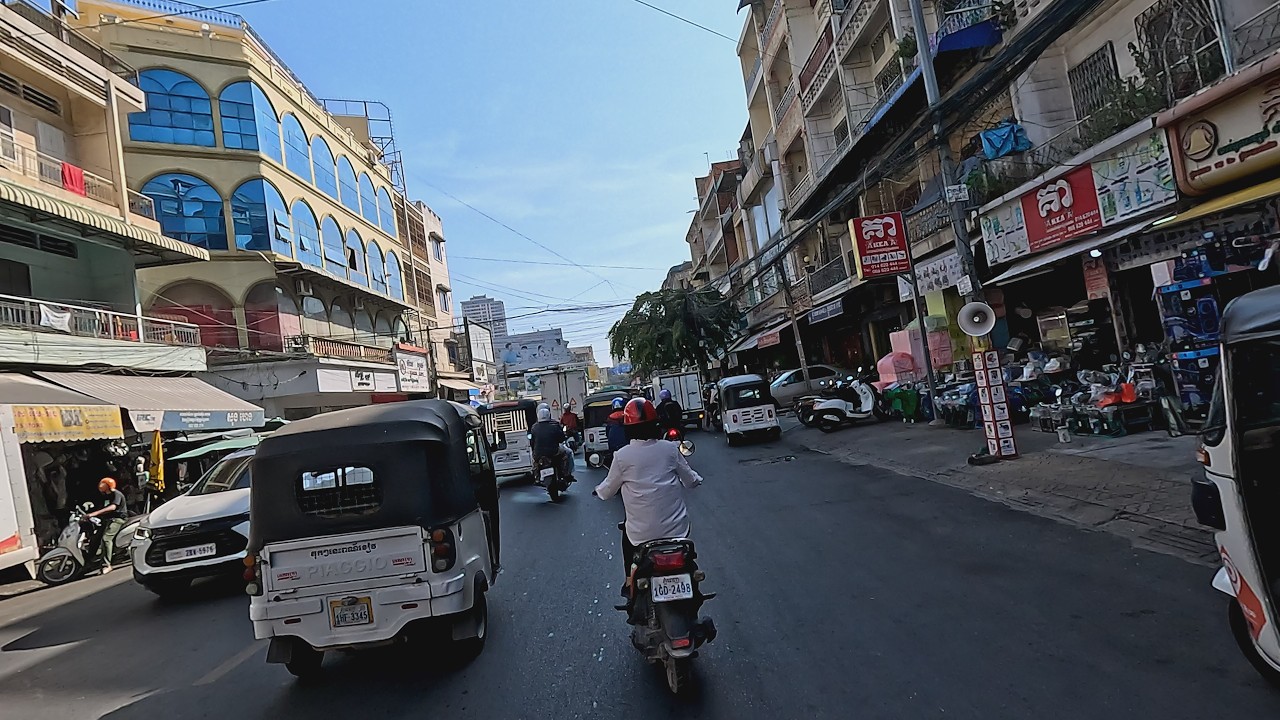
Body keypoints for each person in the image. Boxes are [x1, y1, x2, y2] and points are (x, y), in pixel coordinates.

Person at [593, 397, 702, 595]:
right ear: (655, 424)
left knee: (626, 535)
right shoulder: (669, 449)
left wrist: (598, 491)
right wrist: (697, 479)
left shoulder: (622, 456)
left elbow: (607, 490)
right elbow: (691, 480)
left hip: (640, 535)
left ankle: (629, 580)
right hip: (677, 530)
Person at [85, 477, 128, 573]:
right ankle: (89, 562)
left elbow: (112, 507)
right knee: (95, 539)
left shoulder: (116, 494)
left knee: (106, 539)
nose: (101, 486)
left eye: (103, 484)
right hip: (107, 520)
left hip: (117, 519)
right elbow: (101, 507)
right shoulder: (105, 496)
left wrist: (94, 514)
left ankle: (107, 564)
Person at [529, 402, 575, 483]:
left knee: (534, 461)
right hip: (554, 451)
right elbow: (561, 438)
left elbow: (532, 442)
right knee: (568, 453)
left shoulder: (534, 427)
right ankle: (567, 474)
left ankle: (536, 477)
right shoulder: (555, 424)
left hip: (539, 453)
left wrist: (535, 451)